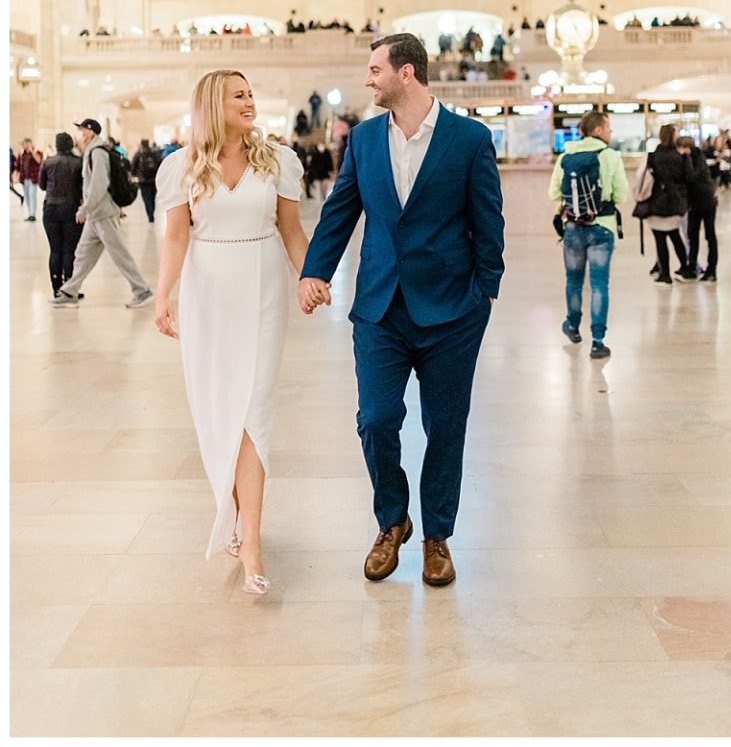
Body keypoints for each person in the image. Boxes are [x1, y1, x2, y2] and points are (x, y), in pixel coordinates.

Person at [298, 33, 504, 587]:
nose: (368, 78)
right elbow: (340, 209)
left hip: (452, 313)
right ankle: (392, 520)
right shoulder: (364, 139)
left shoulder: (469, 138)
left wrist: (486, 292)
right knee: (376, 419)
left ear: (405, 73)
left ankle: (437, 535)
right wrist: (315, 270)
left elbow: (489, 220)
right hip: (379, 308)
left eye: (375, 69)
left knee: (446, 426)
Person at [152, 72, 308, 595]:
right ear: (211, 106)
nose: (249, 101)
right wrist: (163, 294)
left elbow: (291, 230)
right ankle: (239, 522)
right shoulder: (180, 166)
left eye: (250, 94)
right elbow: (177, 237)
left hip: (262, 292)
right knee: (222, 414)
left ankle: (252, 544)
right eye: (238, 95)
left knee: (252, 415)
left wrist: (311, 278)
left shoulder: (279, 161)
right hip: (208, 300)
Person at [549, 110, 629, 360]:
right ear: (597, 130)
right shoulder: (611, 156)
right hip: (602, 228)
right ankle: (598, 341)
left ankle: (572, 326)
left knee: (573, 281)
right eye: (608, 127)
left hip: (573, 228)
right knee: (599, 285)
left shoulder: (565, 156)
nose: (610, 132)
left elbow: (554, 193)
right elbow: (621, 195)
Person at [51, 118, 154, 309]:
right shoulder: (91, 151)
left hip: (103, 213)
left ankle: (142, 291)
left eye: (82, 130)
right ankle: (70, 292)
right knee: (83, 255)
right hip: (96, 215)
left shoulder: (97, 152)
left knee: (120, 255)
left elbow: (99, 185)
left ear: (91, 132)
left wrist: (85, 208)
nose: (79, 133)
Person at [641, 124, 689, 287]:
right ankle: (685, 268)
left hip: (657, 201)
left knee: (660, 239)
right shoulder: (679, 156)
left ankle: (665, 275)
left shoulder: (654, 156)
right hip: (675, 201)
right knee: (675, 236)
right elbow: (687, 177)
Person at [39, 132, 85, 296]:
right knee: (69, 250)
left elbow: (42, 185)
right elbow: (83, 186)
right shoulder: (78, 162)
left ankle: (56, 287)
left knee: (55, 250)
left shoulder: (48, 162)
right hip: (71, 208)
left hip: (50, 209)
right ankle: (69, 288)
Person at [677, 133, 718, 282]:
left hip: (707, 202)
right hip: (694, 204)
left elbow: (691, 177)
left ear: (687, 148)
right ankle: (692, 268)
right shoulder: (689, 158)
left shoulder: (697, 157)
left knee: (709, 236)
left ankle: (711, 270)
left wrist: (686, 158)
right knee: (692, 236)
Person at [130, 138, 162, 223]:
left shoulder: (138, 154)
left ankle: (150, 216)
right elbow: (160, 164)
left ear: (141, 144)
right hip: (154, 180)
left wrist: (134, 175)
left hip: (143, 180)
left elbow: (133, 166)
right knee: (152, 198)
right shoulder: (154, 153)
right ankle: (152, 213)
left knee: (146, 199)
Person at [16, 139, 42, 220]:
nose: (24, 146)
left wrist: (32, 151)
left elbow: (39, 161)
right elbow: (18, 166)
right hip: (24, 179)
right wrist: (16, 176)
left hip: (33, 179)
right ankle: (30, 213)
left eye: (26, 144)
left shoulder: (37, 152)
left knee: (32, 196)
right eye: (24, 144)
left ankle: (32, 214)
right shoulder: (22, 154)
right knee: (27, 196)